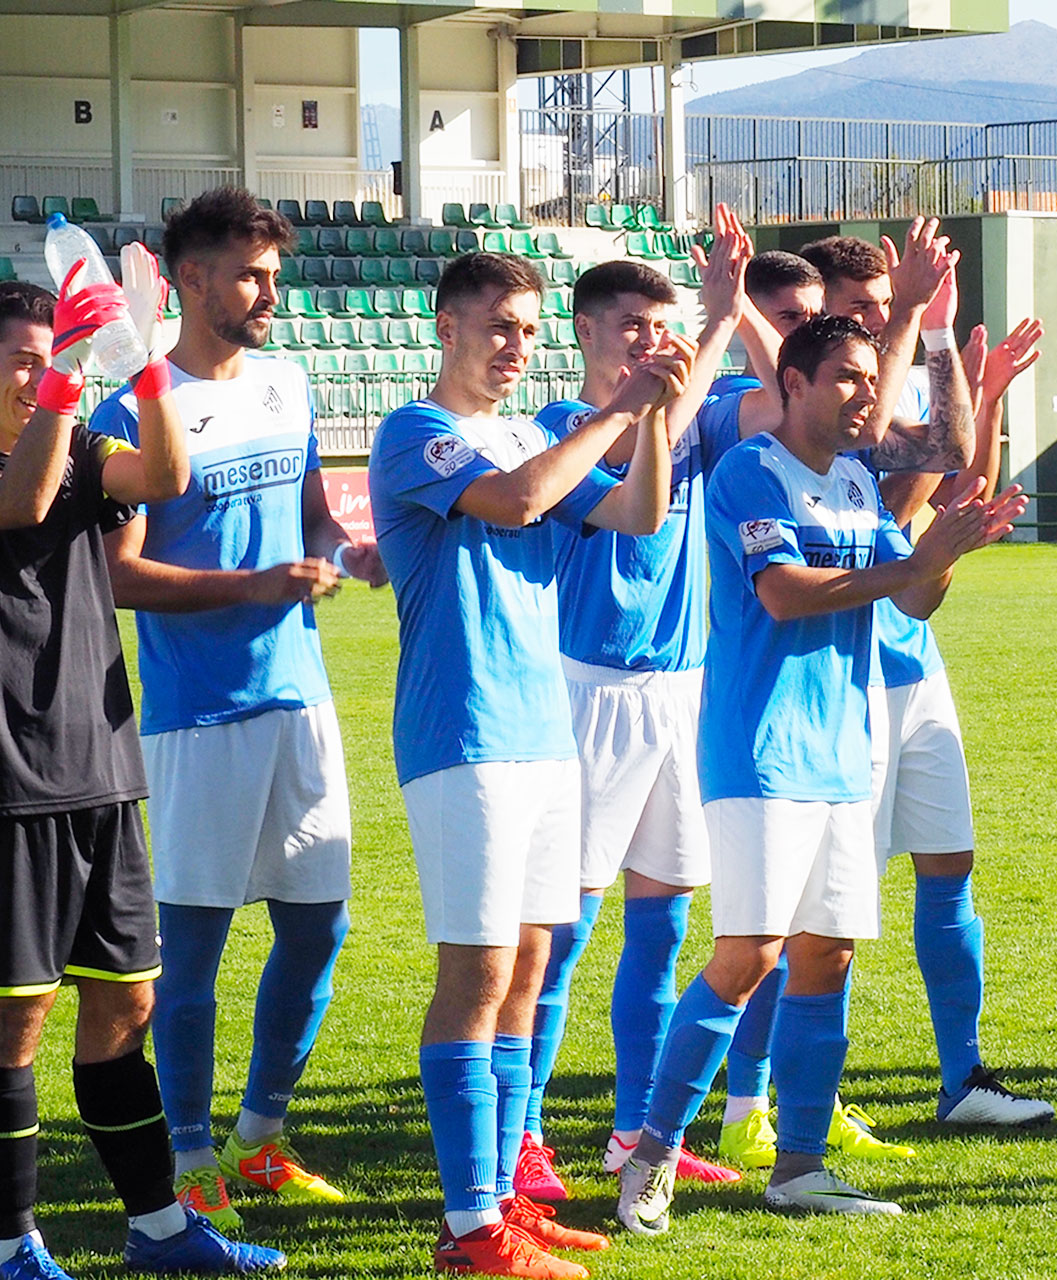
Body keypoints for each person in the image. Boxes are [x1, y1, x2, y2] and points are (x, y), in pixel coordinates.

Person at [613, 315, 1027, 1236]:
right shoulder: (748, 472)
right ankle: (651, 1155)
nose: (865, 395)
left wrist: (943, 558)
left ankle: (798, 1167)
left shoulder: (853, 479)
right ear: (791, 383)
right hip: (761, 750)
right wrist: (912, 562)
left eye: (870, 380)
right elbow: (783, 593)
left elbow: (913, 597)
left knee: (826, 957)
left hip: (846, 749)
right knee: (748, 956)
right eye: (845, 377)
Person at [0, 276, 284, 1277]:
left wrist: (143, 360)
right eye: (19, 357)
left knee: (127, 1003)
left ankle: (159, 1229)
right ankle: (17, 1242)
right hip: (7, 778)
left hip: (104, 766)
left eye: (47, 356)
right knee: (19, 1010)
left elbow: (167, 478)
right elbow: (19, 499)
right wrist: (67, 375)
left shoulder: (86, 449)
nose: (35, 375)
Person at [368, 251, 687, 1278]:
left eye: (528, 329)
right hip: (462, 731)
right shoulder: (416, 431)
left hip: (542, 729)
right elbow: (512, 502)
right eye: (498, 324)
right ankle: (467, 1229)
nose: (516, 344)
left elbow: (636, 515)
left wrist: (650, 421)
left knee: (533, 963)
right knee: (480, 967)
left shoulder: (531, 430)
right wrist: (615, 410)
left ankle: (505, 1196)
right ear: (444, 324)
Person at [97, 187, 381, 1231]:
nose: (269, 292)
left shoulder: (286, 380)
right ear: (192, 280)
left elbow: (309, 502)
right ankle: (190, 1153)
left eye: (275, 272)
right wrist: (253, 586)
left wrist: (351, 550)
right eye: (250, 274)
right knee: (195, 952)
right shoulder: (133, 407)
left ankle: (262, 1134)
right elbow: (119, 575)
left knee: (318, 927)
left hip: (298, 698)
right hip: (196, 714)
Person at [514, 208, 753, 1197]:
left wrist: (730, 318)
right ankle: (522, 1132)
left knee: (661, 926)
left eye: (662, 332)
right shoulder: (562, 431)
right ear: (586, 333)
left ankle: (630, 1131)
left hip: (683, 692)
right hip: (590, 695)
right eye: (630, 330)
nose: (648, 348)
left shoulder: (687, 422)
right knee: (558, 933)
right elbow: (624, 467)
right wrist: (714, 325)